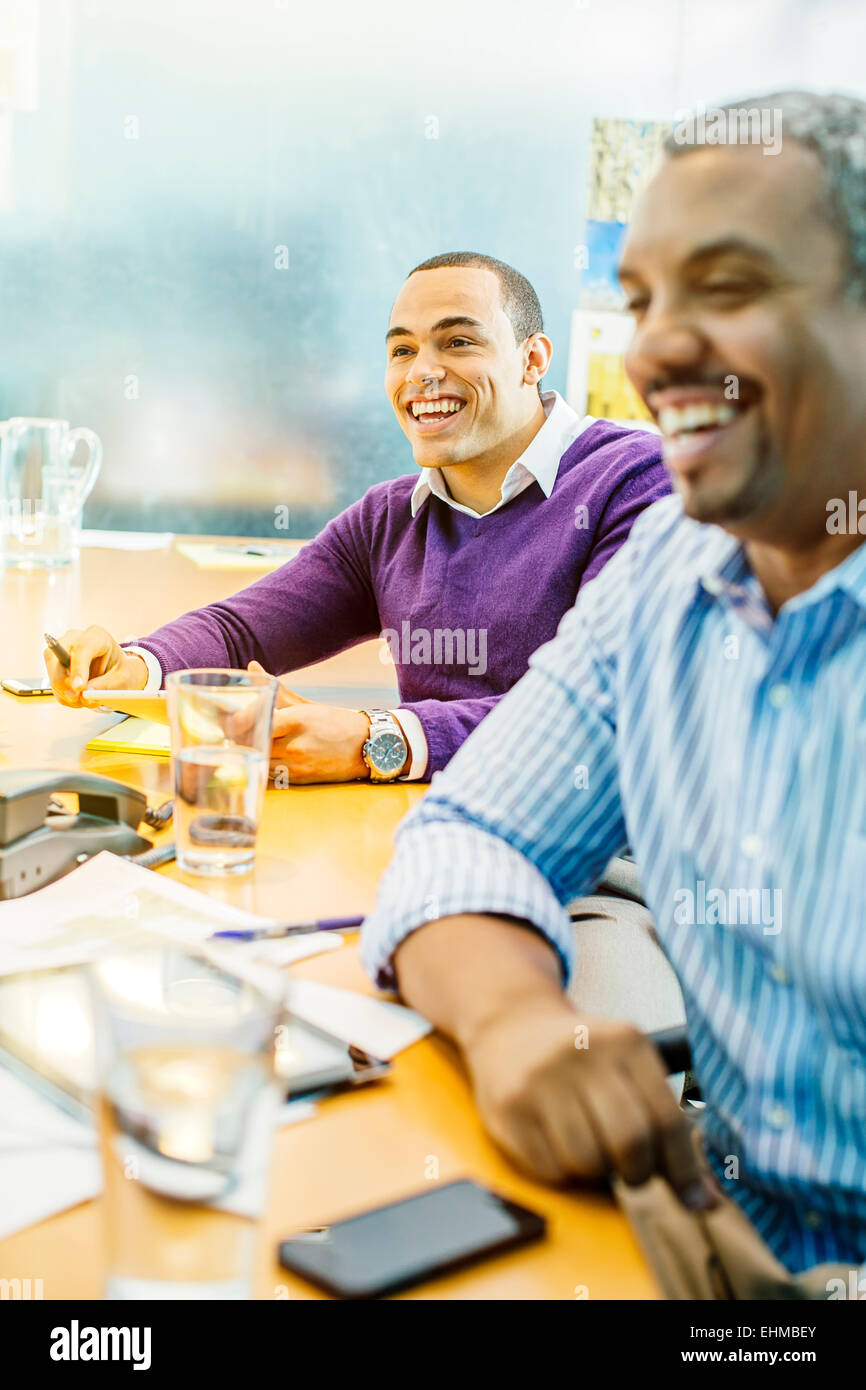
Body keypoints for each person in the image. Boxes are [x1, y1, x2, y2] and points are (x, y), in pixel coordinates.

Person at [361, 92, 866, 1277]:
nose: (652, 350)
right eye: (641, 301)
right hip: (719, 1237)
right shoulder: (673, 574)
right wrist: (515, 1019)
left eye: (729, 288)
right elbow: (470, 830)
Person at [46, 252, 667, 784]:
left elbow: (601, 712)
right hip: (443, 829)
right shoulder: (390, 519)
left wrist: (374, 741)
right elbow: (241, 633)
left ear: (534, 360)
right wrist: (134, 667)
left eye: (457, 341)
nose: (422, 372)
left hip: (605, 863)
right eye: (402, 350)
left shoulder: (636, 482)